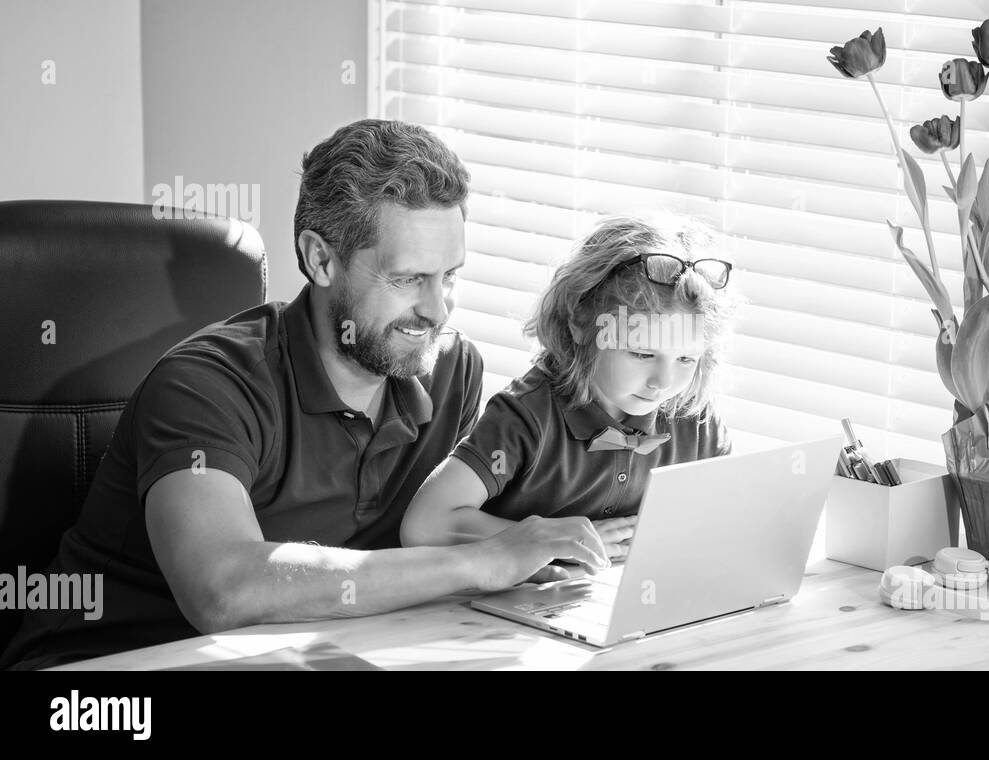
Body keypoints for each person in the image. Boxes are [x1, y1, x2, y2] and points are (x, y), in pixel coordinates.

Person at [0, 119, 607, 669]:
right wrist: (481, 562)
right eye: (407, 279)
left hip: (296, 656)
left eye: (450, 277)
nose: (436, 309)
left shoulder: (451, 373)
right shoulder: (203, 385)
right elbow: (223, 589)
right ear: (320, 259)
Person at [400, 214, 739, 570]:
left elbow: (730, 523)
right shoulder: (528, 416)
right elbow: (425, 525)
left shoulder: (692, 416)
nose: (662, 382)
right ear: (579, 323)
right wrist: (554, 542)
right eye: (641, 353)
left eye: (686, 358)